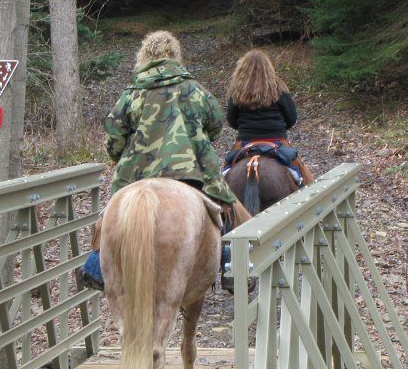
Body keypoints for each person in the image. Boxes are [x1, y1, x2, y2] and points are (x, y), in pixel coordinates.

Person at [78, 30, 250, 291]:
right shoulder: (195, 90)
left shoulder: (133, 93)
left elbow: (114, 138)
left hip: (137, 176)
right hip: (192, 172)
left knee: (110, 215)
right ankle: (229, 266)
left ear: (144, 56)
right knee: (222, 207)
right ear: (175, 56)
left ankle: (95, 266)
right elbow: (215, 126)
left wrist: (120, 155)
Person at [223, 48, 314, 186]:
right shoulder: (279, 88)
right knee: (307, 180)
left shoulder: (236, 91)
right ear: (268, 68)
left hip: (245, 142)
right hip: (277, 140)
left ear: (242, 69)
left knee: (221, 178)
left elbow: (231, 120)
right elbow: (291, 118)